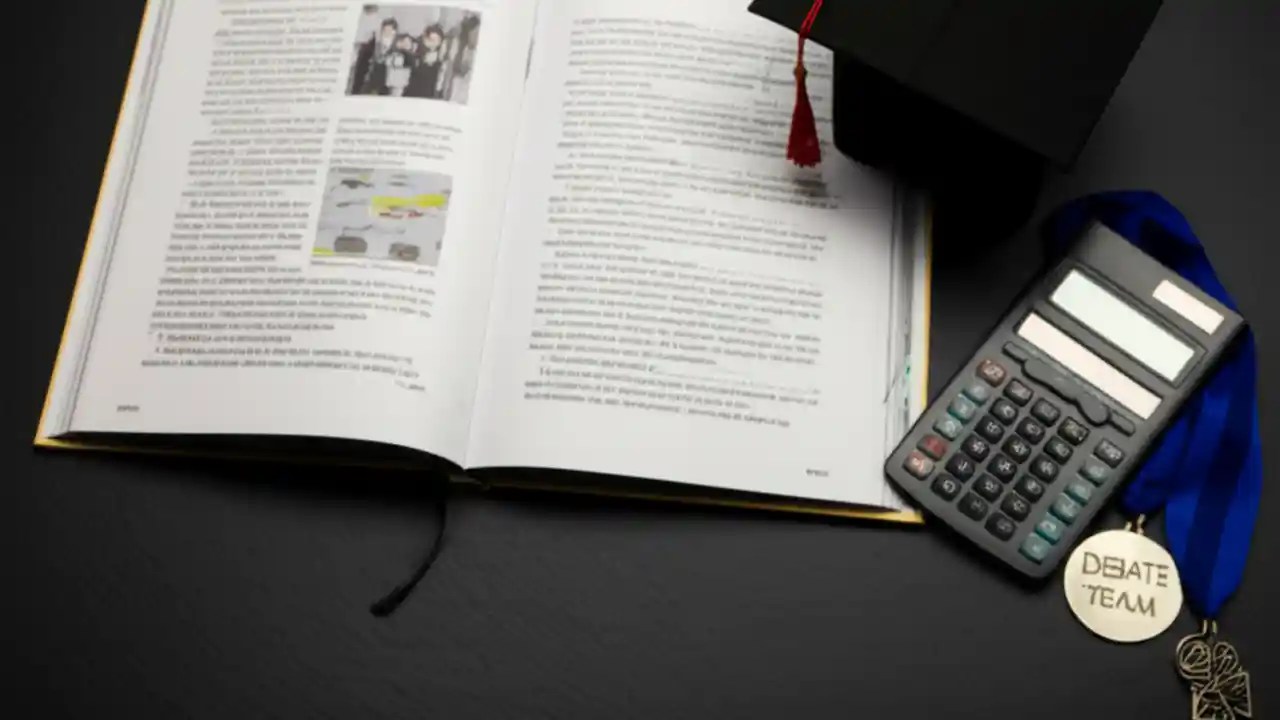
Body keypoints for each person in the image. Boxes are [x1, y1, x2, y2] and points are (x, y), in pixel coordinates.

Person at [352, 18, 399, 95]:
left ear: (394, 31)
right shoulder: (376, 44)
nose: (386, 32)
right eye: (384, 30)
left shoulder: (397, 45)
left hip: (388, 78)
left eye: (389, 30)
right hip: (373, 76)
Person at [406, 25, 446, 99]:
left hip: (430, 95)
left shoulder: (441, 58)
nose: (434, 43)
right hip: (412, 93)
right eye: (431, 39)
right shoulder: (417, 53)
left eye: (437, 40)